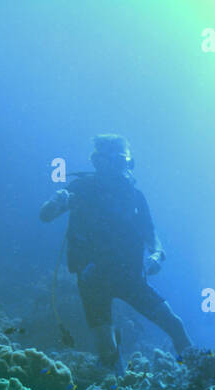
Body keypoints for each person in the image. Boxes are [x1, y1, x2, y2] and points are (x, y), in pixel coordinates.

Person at [40, 134, 191, 372]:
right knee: (107, 349)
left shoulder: (134, 196)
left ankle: (195, 373)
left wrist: (157, 254)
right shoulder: (81, 188)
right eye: (117, 161)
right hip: (93, 279)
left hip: (129, 276)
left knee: (174, 324)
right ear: (99, 162)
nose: (123, 168)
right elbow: (45, 216)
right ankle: (116, 389)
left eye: (125, 162)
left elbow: (150, 232)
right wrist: (56, 201)